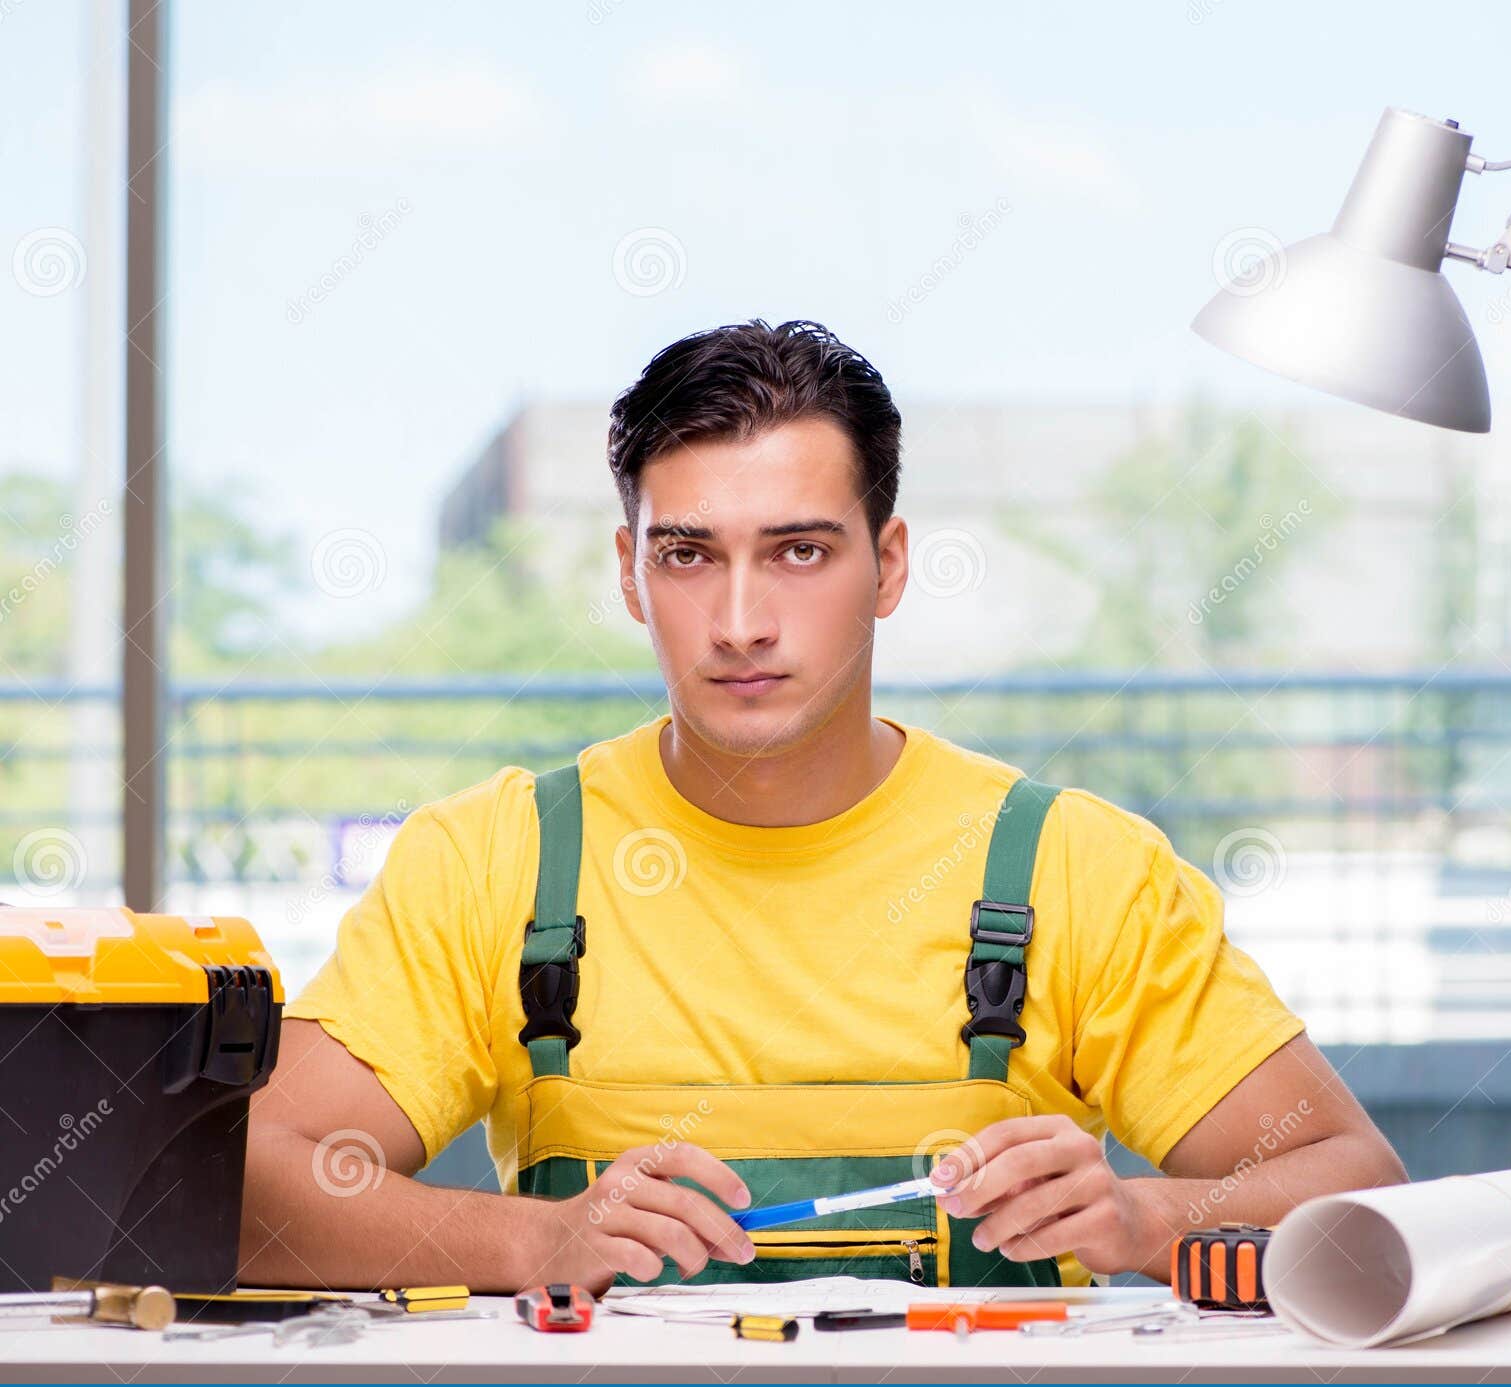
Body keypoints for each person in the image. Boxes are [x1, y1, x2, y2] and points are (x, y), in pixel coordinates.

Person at [242, 319, 1405, 1294]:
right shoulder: (500, 861)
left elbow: (1351, 1179)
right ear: (628, 571)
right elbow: (246, 1187)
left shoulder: (1070, 868)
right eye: (690, 556)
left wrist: (1144, 1217)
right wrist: (536, 1239)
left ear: (889, 565)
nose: (740, 620)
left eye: (798, 552)